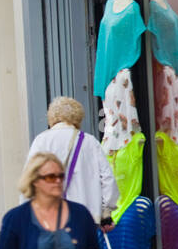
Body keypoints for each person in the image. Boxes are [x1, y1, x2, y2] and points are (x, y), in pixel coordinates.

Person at [26, 97, 118, 228]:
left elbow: (29, 178)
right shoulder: (90, 142)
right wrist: (106, 211)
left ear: (52, 116)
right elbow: (108, 179)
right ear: (78, 117)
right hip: (86, 218)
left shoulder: (41, 141)